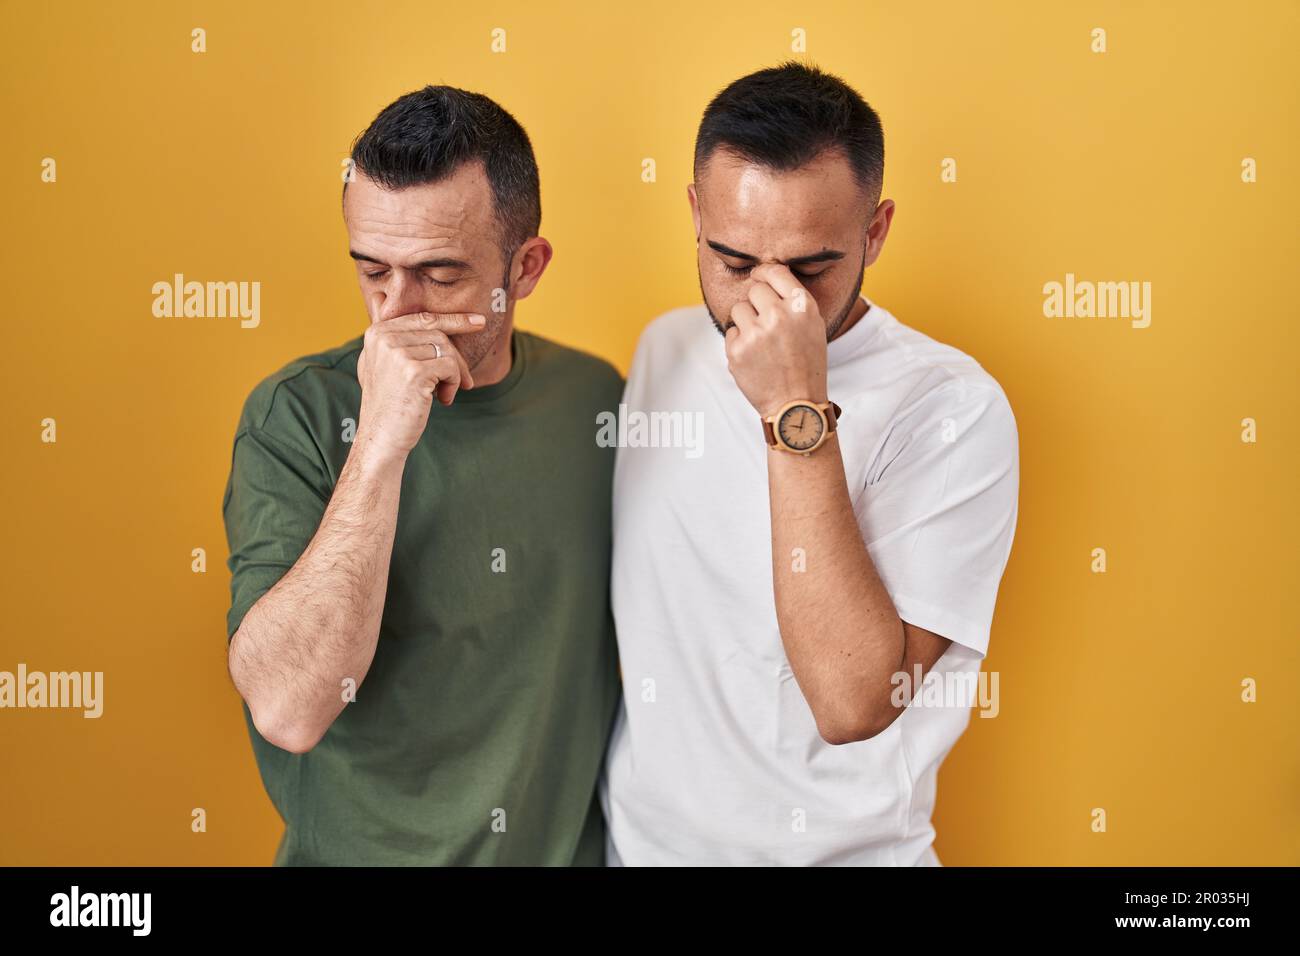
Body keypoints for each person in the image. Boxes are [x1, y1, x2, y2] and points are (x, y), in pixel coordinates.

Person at [600, 62, 1020, 865]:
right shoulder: (665, 349)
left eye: (809, 269)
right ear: (695, 214)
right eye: (733, 260)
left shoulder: (953, 409)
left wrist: (795, 409)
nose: (769, 300)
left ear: (875, 232)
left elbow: (852, 701)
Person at [222, 86, 622, 865]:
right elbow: (289, 710)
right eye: (373, 271)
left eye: (440, 276)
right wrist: (378, 445)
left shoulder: (598, 401)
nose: (395, 315)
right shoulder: (292, 418)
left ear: (528, 266)